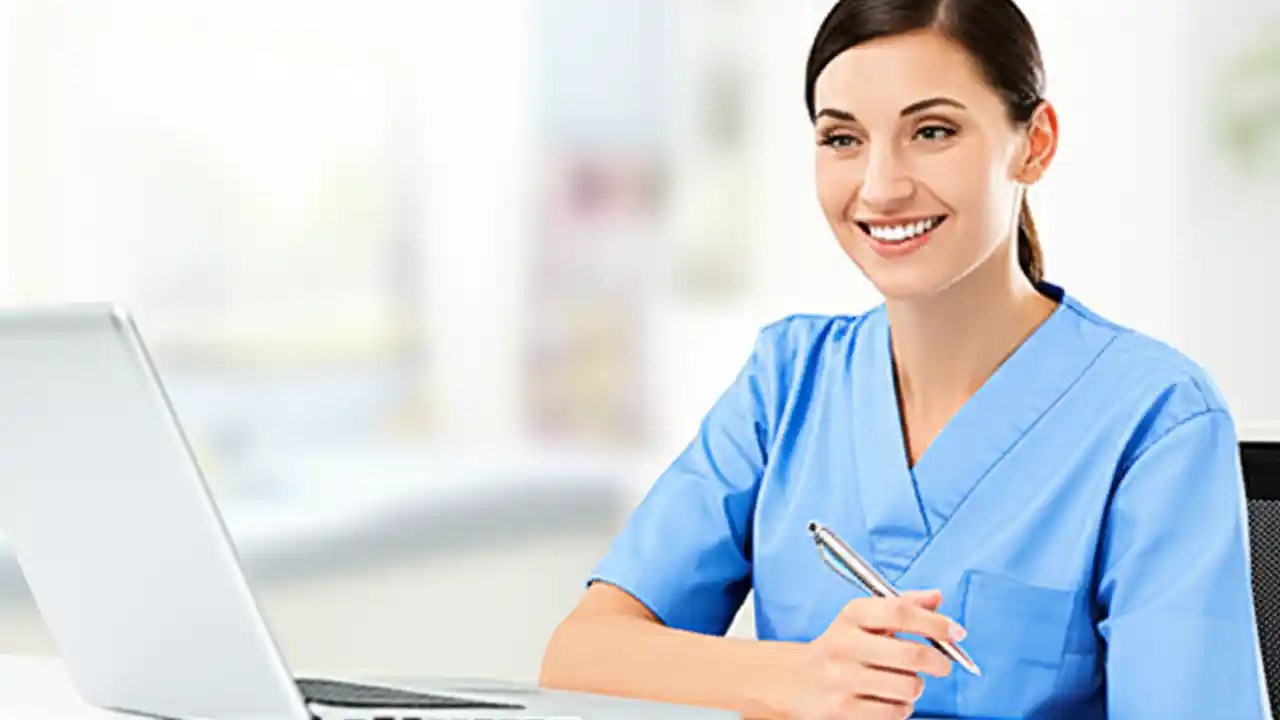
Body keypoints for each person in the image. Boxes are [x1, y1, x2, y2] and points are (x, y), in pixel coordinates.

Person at [539, 0, 1271, 717]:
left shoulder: (1155, 416)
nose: (881, 187)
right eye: (842, 139)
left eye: (932, 130)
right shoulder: (787, 381)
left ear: (1035, 143)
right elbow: (582, 655)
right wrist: (799, 678)